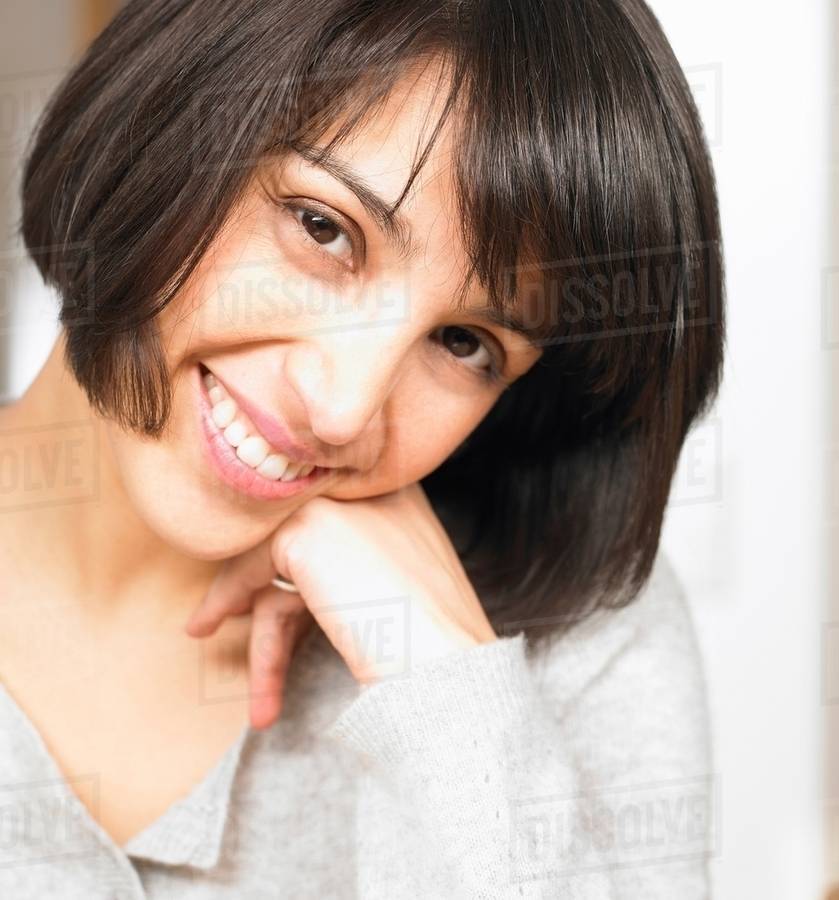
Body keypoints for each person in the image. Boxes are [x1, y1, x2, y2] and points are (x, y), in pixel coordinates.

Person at [2, 0, 724, 894]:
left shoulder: (584, 630)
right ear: (158, 121)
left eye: (465, 344)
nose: (346, 411)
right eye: (324, 228)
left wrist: (445, 692)